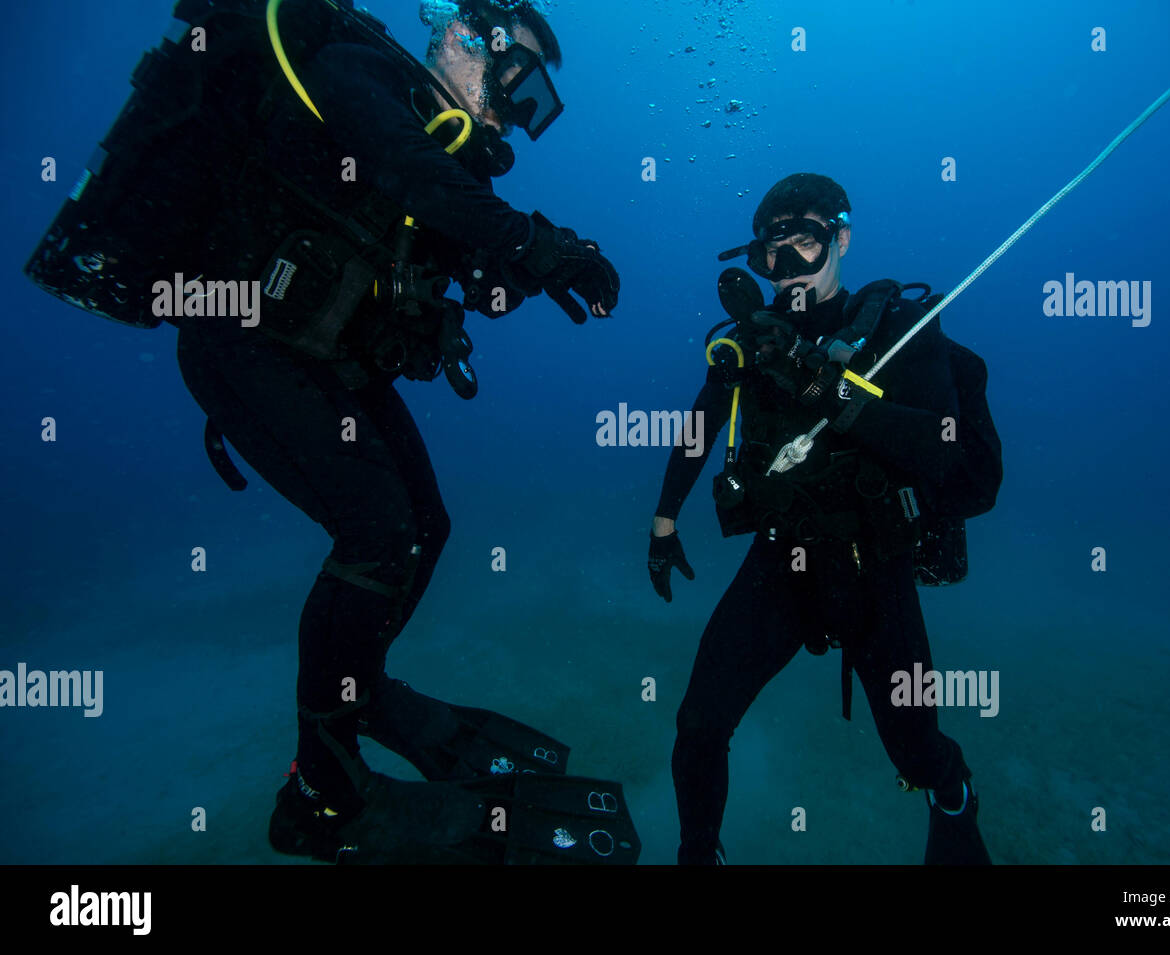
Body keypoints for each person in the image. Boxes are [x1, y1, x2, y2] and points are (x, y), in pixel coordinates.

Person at [26, 0, 636, 864]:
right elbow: (410, 171)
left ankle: (360, 690)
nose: (517, 111)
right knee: (378, 533)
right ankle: (321, 790)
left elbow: (452, 237)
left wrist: (525, 268)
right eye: (519, 81)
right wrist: (540, 244)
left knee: (427, 528)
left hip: (322, 355)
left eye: (534, 99)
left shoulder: (438, 140)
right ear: (464, 37)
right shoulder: (360, 71)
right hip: (243, 344)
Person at [648, 172, 1002, 865]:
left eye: (804, 244)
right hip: (783, 560)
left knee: (916, 748)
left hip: (877, 565)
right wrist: (664, 520)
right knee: (698, 722)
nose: (786, 270)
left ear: (842, 237)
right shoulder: (755, 340)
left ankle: (953, 791)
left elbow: (942, 448)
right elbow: (701, 423)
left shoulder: (901, 331)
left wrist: (827, 383)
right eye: (770, 255)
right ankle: (697, 854)